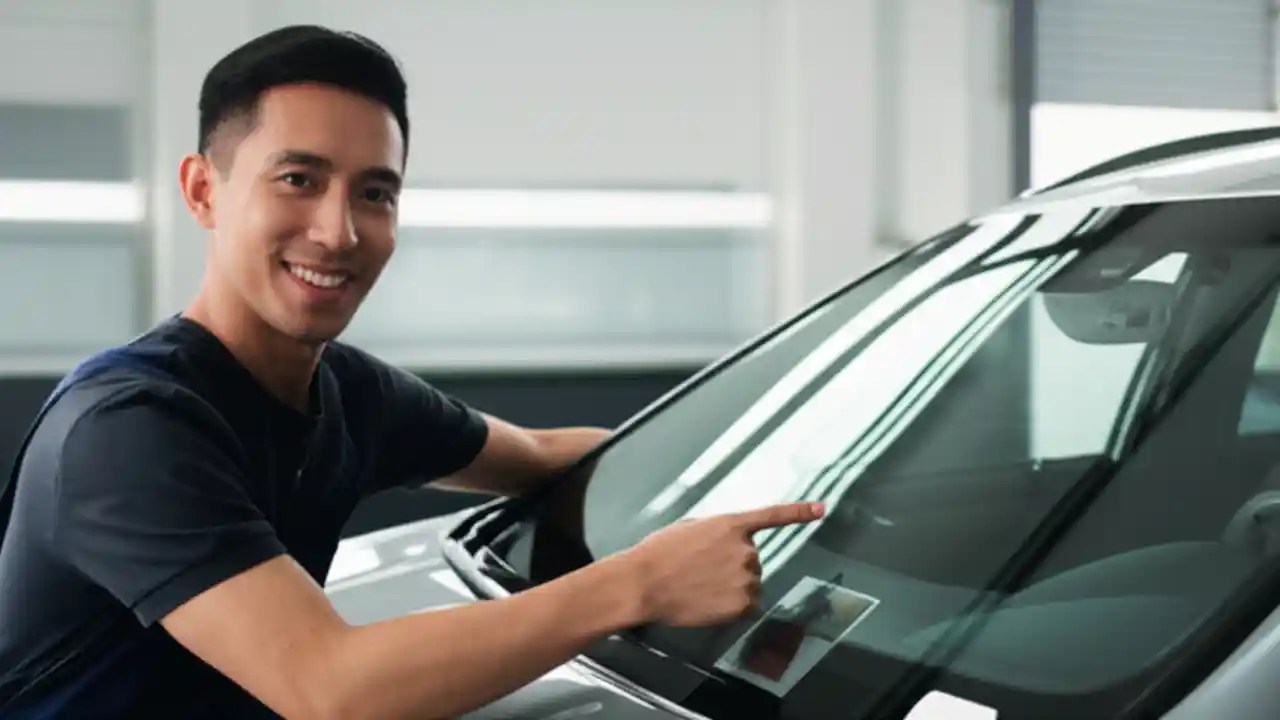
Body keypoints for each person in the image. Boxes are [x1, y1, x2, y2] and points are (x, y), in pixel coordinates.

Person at [0, 25, 824, 719]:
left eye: (374, 194)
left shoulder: (348, 392)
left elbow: (541, 455)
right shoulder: (129, 428)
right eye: (299, 180)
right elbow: (326, 686)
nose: (338, 231)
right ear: (202, 190)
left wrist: (788, 466)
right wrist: (640, 584)